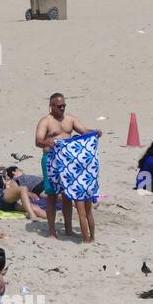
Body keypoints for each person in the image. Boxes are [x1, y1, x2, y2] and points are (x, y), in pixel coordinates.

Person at [34, 92, 101, 241]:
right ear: (51, 106)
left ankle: (69, 229)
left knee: (67, 196)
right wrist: (47, 142)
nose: (62, 108)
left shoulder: (70, 119)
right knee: (51, 196)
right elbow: (38, 141)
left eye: (64, 105)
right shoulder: (46, 121)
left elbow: (84, 131)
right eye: (59, 106)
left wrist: (95, 132)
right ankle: (52, 231)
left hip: (68, 162)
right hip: (51, 160)